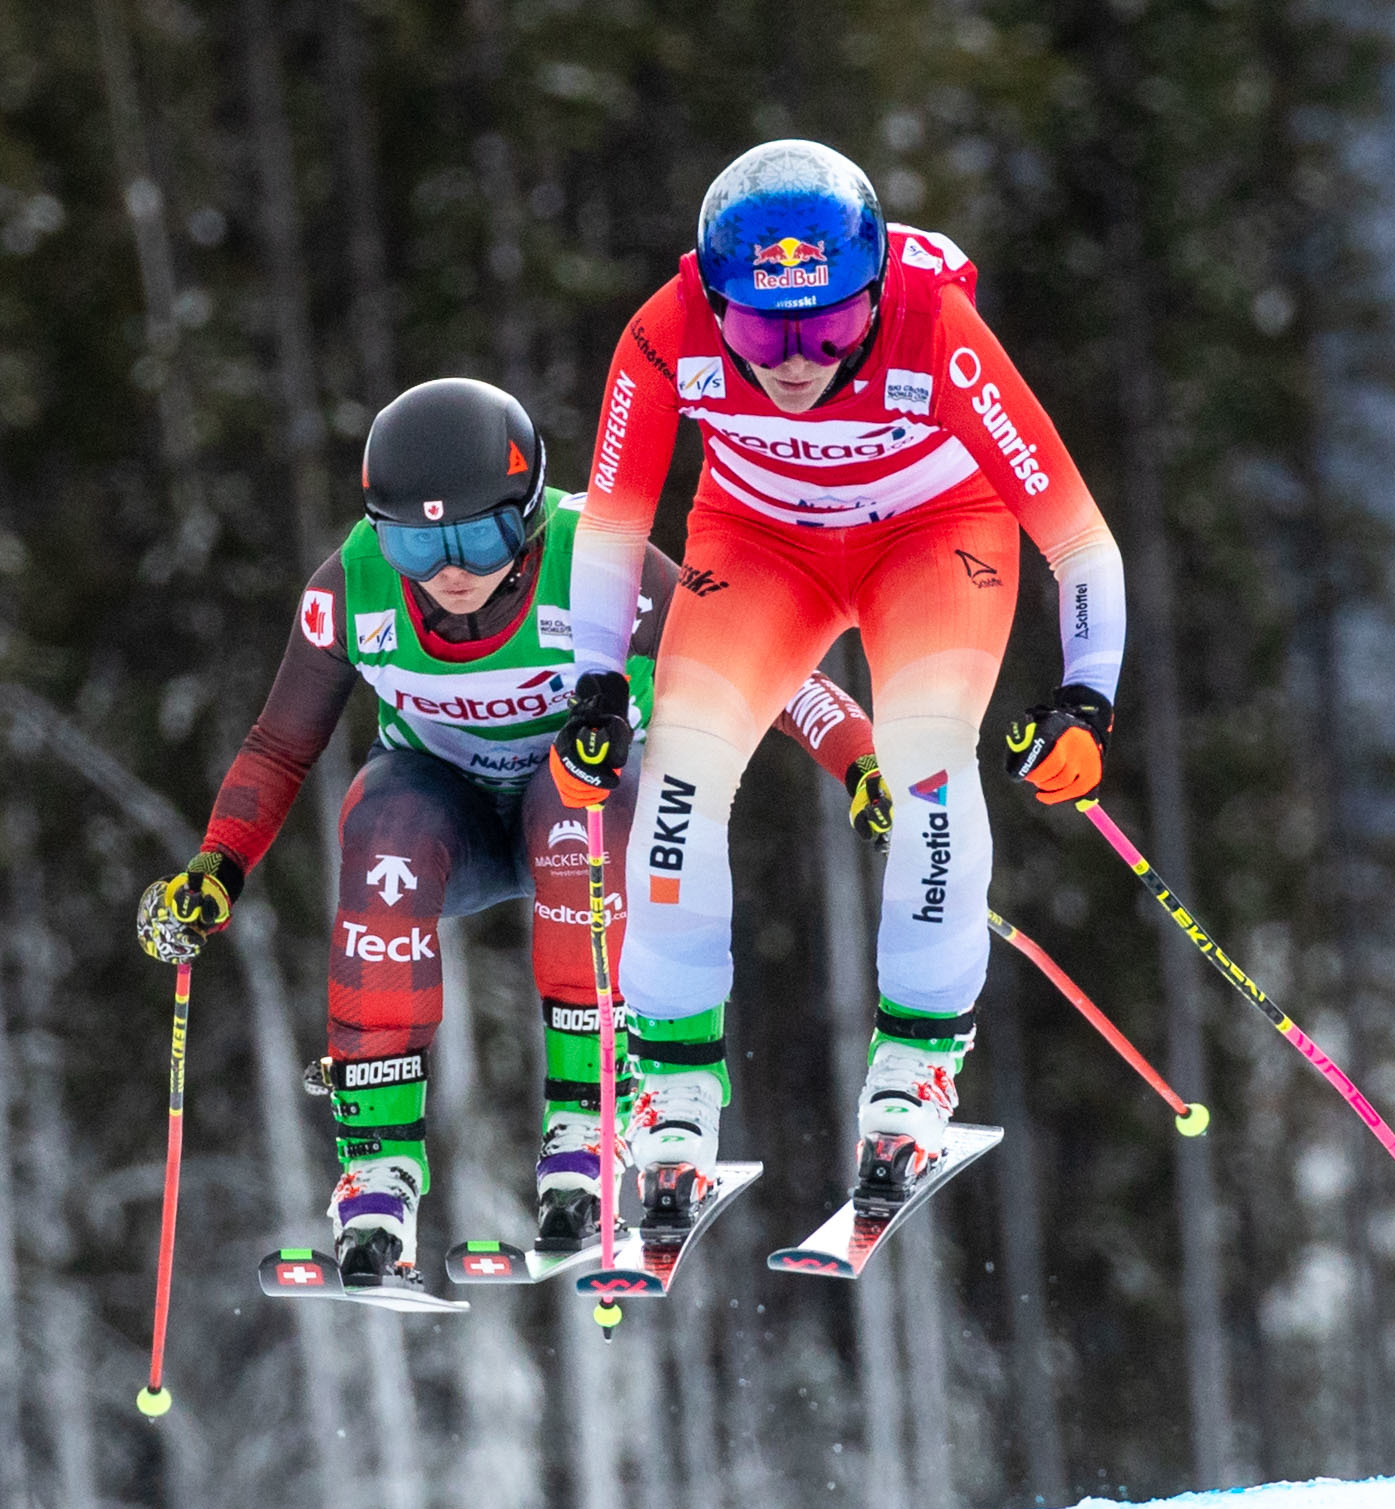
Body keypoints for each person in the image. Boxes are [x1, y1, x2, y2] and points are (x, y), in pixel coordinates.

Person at [134, 377, 889, 1293]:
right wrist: (217, 867)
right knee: (382, 832)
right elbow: (279, 745)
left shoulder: (598, 562)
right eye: (417, 542)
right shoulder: (352, 587)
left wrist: (862, 764)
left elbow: (762, 664)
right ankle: (376, 1177)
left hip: (582, 809)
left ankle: (587, 1132)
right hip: (449, 816)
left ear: (529, 516)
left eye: (478, 537)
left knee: (571, 809)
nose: (449, 571)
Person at [570, 139, 1128, 1210]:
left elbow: (1076, 538)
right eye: (757, 325)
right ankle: (673, 1084)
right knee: (677, 765)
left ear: (873, 293)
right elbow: (612, 523)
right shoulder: (662, 333)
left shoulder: (936, 331)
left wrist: (1085, 699)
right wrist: (596, 684)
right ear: (709, 299)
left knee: (922, 752)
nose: (790, 358)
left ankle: (915, 1064)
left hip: (931, 540)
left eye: (825, 325)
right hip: (756, 544)